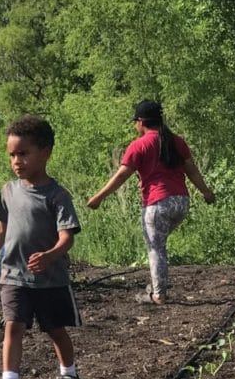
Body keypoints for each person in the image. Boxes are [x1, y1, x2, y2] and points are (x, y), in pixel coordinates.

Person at [0, 114, 83, 379]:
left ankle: (69, 376)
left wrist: (51, 254)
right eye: (12, 155)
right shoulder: (8, 191)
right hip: (13, 275)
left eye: (23, 153)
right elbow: (0, 229)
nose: (16, 161)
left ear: (46, 151)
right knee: (13, 327)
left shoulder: (57, 195)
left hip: (50, 279)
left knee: (56, 330)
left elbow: (67, 238)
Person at [86, 100, 215, 304]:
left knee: (156, 249)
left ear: (140, 121)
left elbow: (121, 176)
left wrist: (98, 198)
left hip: (157, 204)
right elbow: (191, 171)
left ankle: (158, 295)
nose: (134, 126)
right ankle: (157, 284)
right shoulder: (177, 142)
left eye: (135, 122)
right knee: (159, 244)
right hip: (181, 203)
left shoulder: (140, 145)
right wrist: (206, 192)